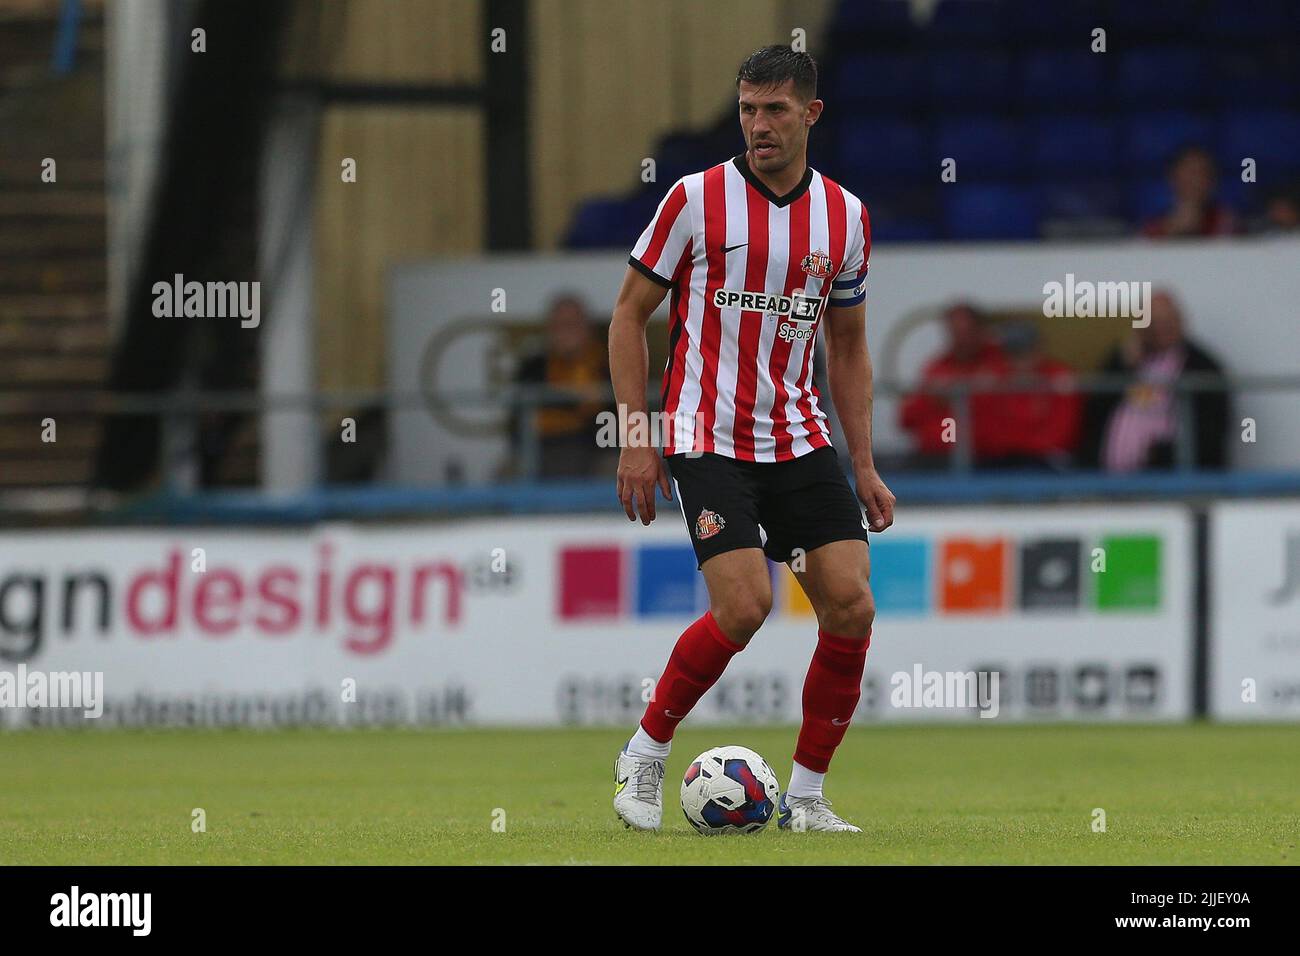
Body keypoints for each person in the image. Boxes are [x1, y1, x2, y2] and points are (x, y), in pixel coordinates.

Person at [607, 45, 894, 833]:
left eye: (773, 110)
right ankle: (645, 750)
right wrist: (639, 435)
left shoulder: (846, 217)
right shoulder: (694, 200)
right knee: (745, 606)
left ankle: (804, 799)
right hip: (706, 433)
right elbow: (629, 313)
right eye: (746, 110)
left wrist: (863, 464)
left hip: (798, 439)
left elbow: (846, 347)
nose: (758, 125)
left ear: (811, 113)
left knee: (851, 605)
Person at [1081, 290, 1230, 472]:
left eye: (1167, 322)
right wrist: (1122, 363)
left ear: (1180, 321)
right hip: (1108, 476)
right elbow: (1094, 412)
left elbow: (1211, 432)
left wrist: (1160, 454)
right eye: (1153, 323)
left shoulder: (1202, 366)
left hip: (1169, 475)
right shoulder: (1127, 360)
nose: (1160, 329)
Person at [510, 294, 610, 479]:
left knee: (620, 472)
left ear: (588, 328)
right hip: (543, 450)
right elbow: (517, 421)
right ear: (549, 329)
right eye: (561, 326)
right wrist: (575, 400)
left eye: (573, 324)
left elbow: (613, 417)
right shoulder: (533, 367)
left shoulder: (608, 364)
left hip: (595, 451)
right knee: (508, 475)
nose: (567, 332)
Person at [898, 303, 1008, 467]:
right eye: (954, 332)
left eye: (966, 332)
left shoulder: (1001, 365)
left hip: (991, 459)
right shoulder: (936, 368)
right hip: (934, 458)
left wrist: (964, 392)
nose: (961, 339)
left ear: (981, 331)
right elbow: (907, 418)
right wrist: (934, 398)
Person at [972, 321, 1082, 470]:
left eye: (1026, 351)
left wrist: (1024, 444)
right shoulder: (992, 377)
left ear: (1039, 349)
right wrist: (1014, 444)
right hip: (1001, 457)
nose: (1020, 360)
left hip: (1046, 457)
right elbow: (985, 430)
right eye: (1013, 353)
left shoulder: (1058, 376)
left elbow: (1063, 432)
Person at [1140, 145, 1238, 238]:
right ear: (1172, 177)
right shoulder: (1153, 229)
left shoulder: (1227, 225)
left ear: (1213, 181)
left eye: (1201, 173)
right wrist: (1170, 230)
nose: (1195, 181)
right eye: (1189, 173)